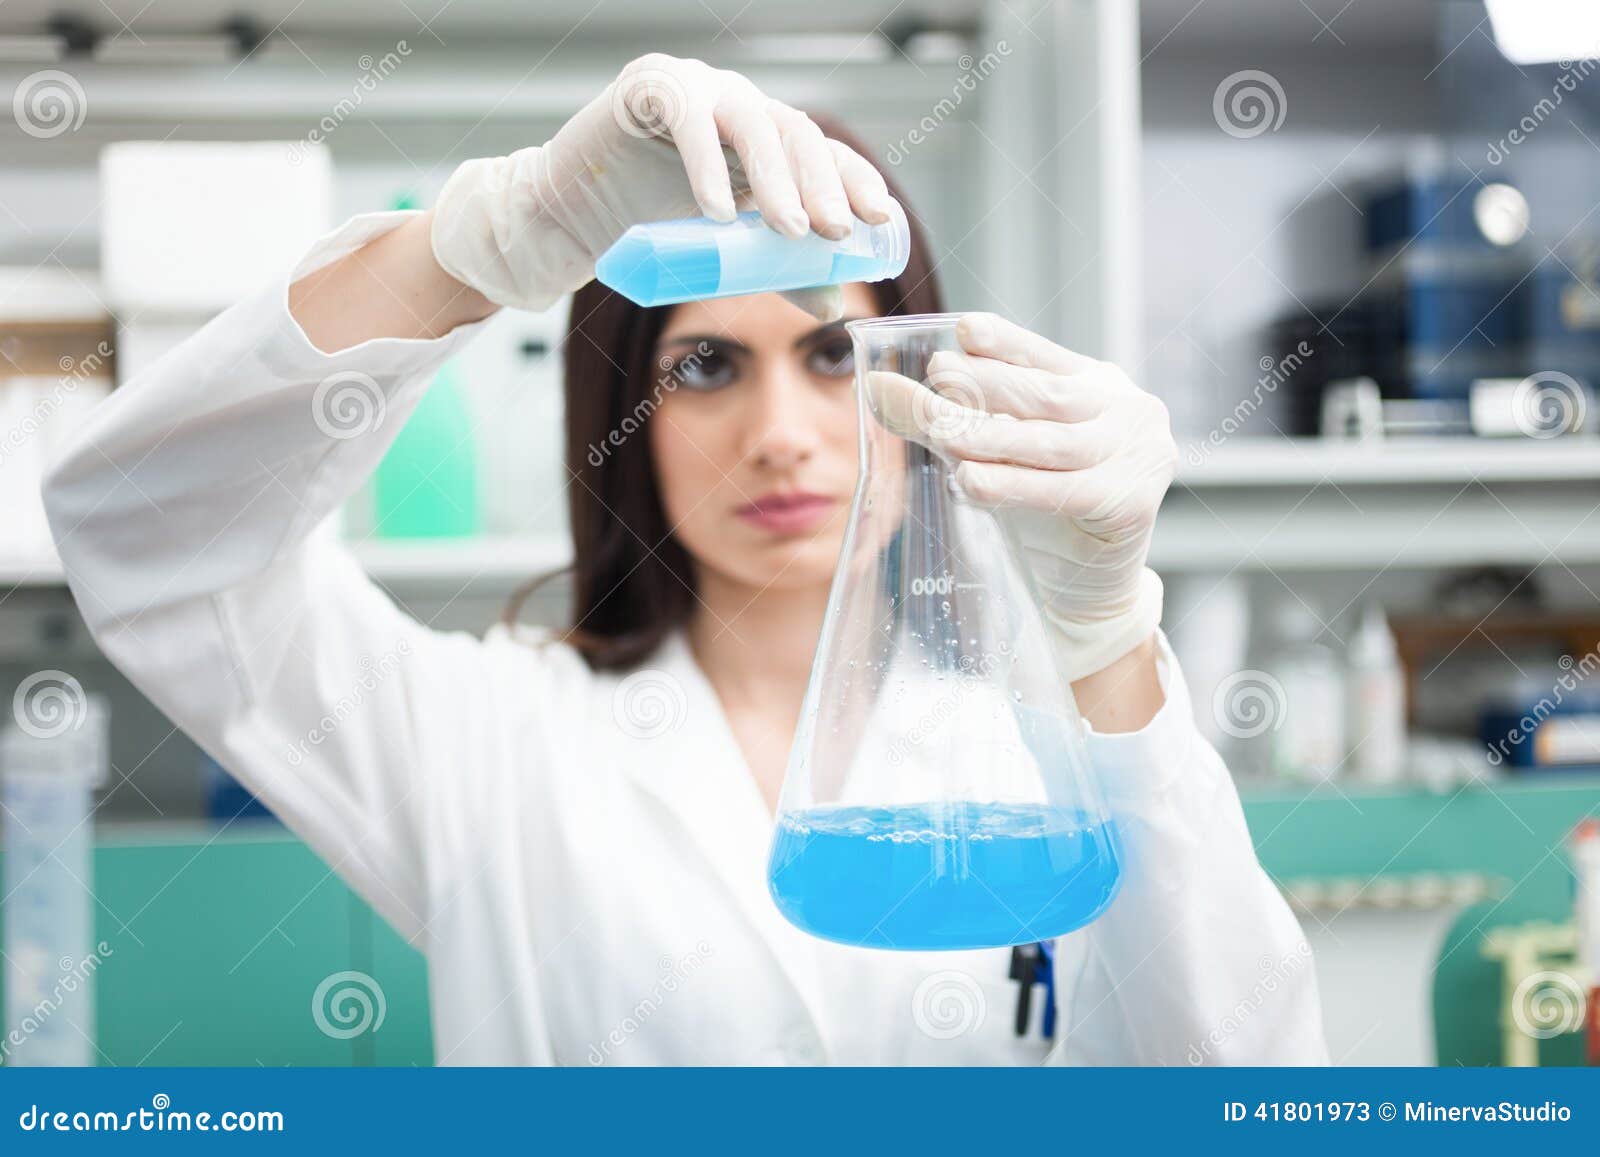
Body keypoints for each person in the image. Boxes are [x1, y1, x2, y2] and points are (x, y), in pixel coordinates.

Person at [43, 55, 1327, 1065]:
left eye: (834, 355)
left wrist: (1104, 639)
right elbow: (150, 534)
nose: (780, 435)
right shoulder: (484, 735)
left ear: (922, 382)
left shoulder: (1039, 758)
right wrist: (482, 239)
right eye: (705, 365)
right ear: (626, 419)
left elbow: (1243, 1076)